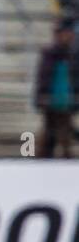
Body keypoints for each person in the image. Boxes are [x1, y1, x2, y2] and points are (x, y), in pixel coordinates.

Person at [34, 23, 79, 157]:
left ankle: (65, 157)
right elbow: (43, 76)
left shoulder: (73, 54)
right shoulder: (49, 53)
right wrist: (41, 95)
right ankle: (47, 157)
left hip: (66, 99)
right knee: (51, 131)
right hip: (52, 98)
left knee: (63, 131)